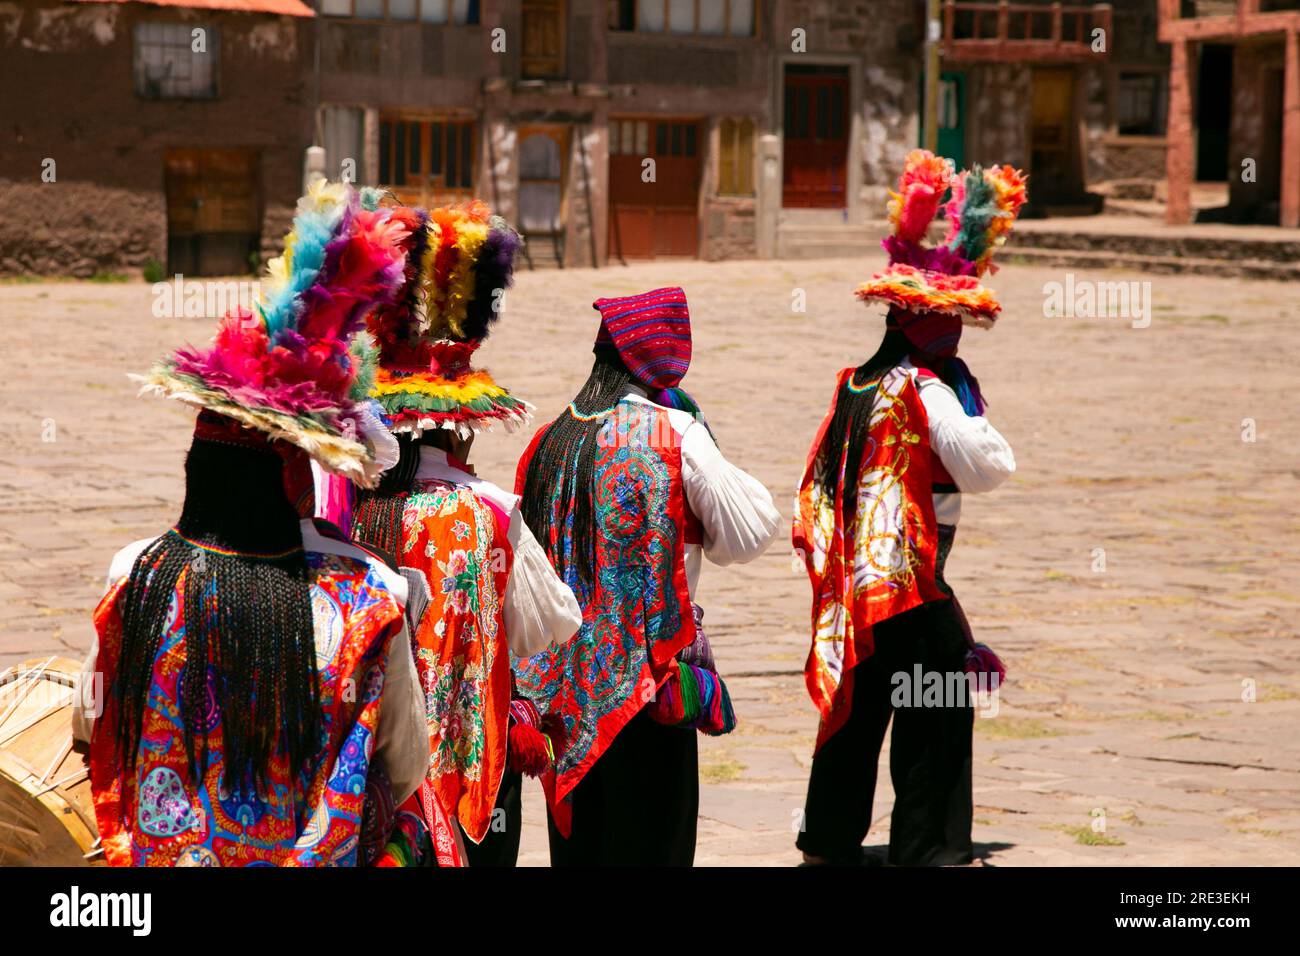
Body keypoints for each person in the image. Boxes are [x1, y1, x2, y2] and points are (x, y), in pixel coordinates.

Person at [75, 181, 431, 866]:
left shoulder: (138, 577)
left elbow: (92, 725)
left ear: (197, 465)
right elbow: (406, 764)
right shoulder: (367, 604)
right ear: (297, 479)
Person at [793, 150, 1024, 867]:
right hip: (909, 585)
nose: (957, 332)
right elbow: (989, 466)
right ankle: (929, 850)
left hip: (855, 584)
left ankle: (828, 842)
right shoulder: (924, 389)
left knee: (855, 718)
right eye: (949, 320)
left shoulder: (854, 381)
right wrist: (964, 404)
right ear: (924, 322)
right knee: (938, 713)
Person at [348, 200, 581, 867]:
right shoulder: (488, 515)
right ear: (460, 425)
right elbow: (551, 623)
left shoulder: (341, 511)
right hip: (466, 777)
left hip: (367, 779)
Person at [513, 286, 782, 866]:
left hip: (564, 703)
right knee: (653, 845)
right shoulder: (675, 435)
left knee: (581, 853)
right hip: (649, 689)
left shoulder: (547, 441)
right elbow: (751, 532)